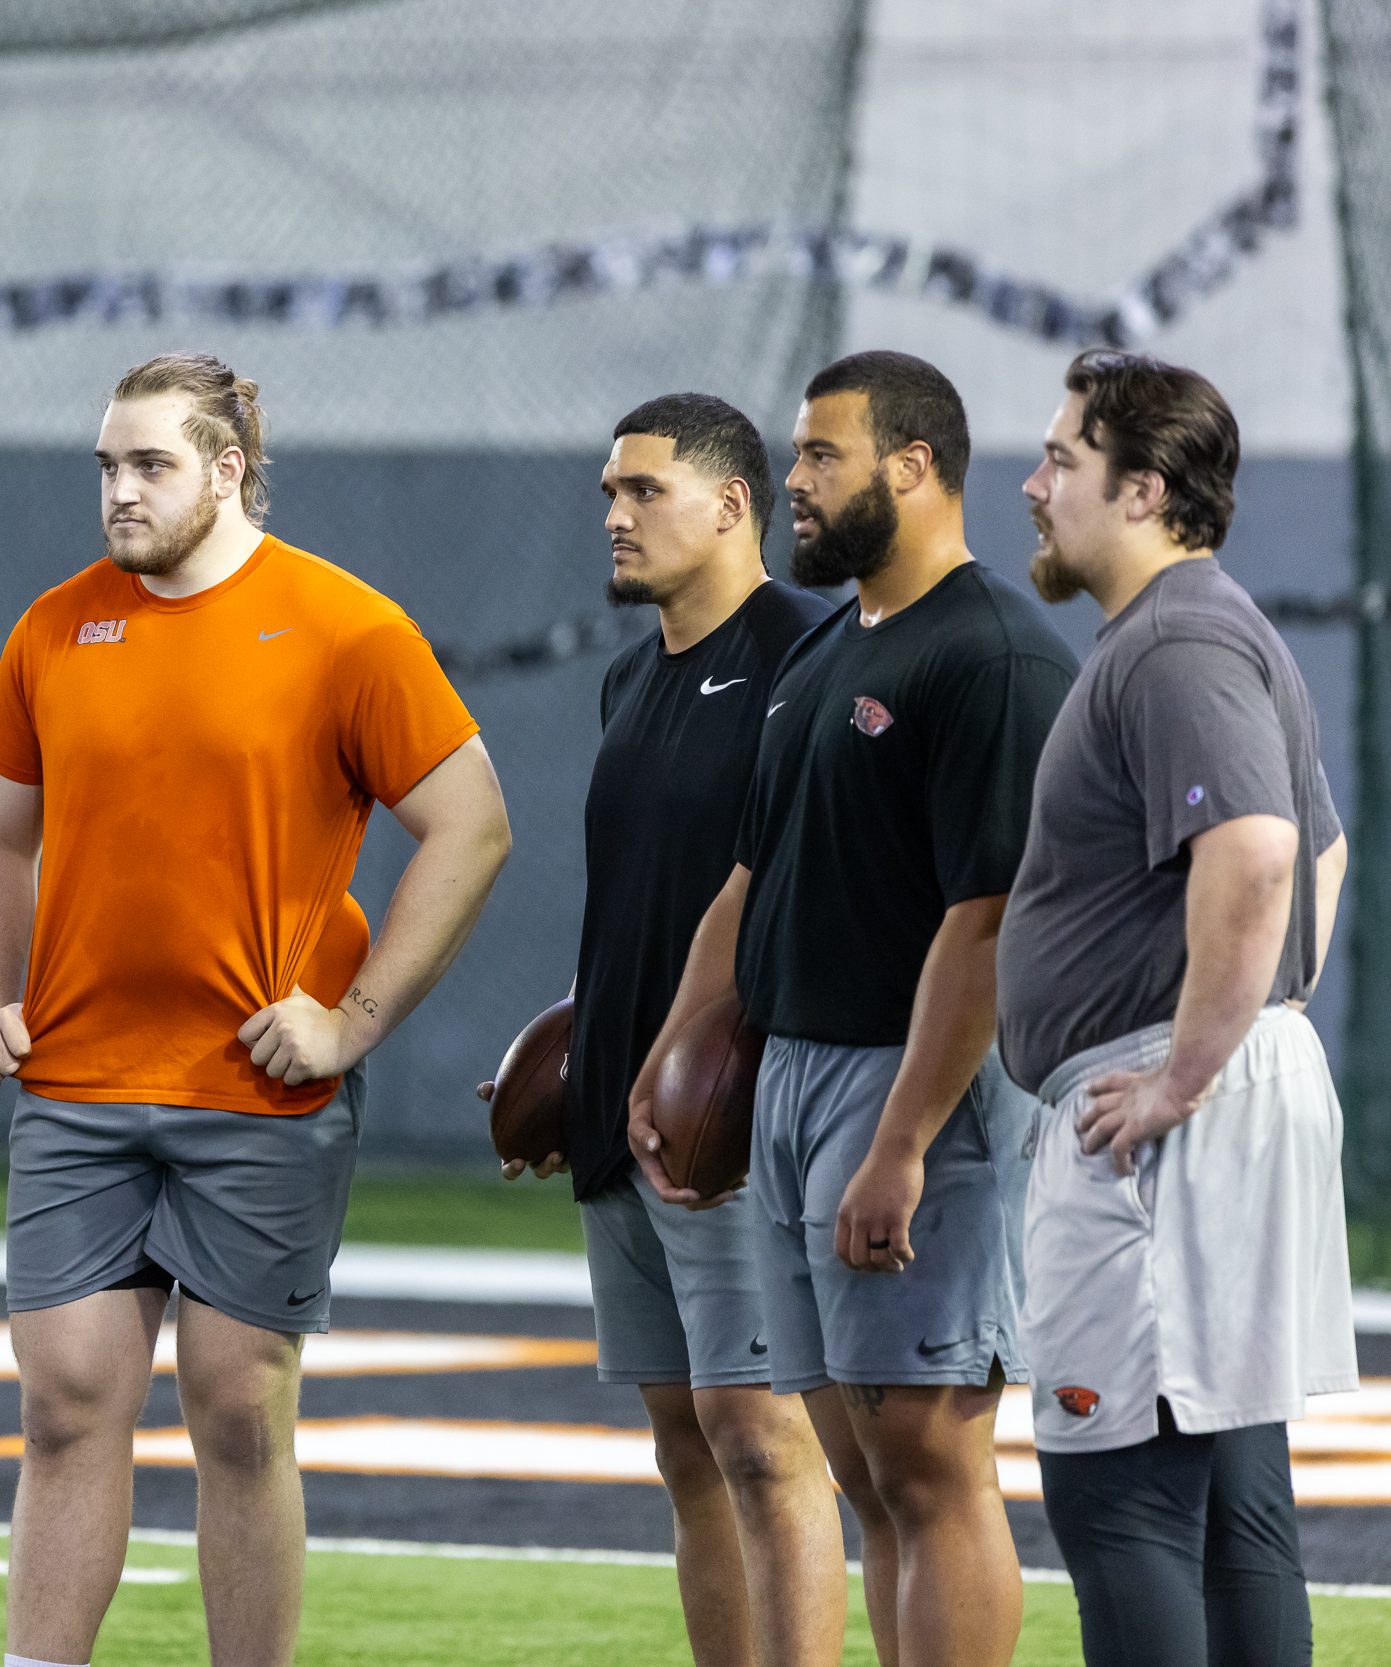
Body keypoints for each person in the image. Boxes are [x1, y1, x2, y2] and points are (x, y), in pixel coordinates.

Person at [0, 352, 512, 1667]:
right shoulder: (55, 626)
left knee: (239, 1409)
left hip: (259, 1098)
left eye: (149, 464)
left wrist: (351, 1017)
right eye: (106, 465)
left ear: (228, 471)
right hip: (78, 1088)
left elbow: (471, 823)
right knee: (67, 1401)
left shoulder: (346, 627)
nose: (119, 491)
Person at [631, 351, 1076, 1667]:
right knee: (860, 1465)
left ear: (915, 465)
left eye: (822, 456)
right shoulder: (830, 651)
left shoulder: (991, 654)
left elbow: (988, 922)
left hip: (914, 1086)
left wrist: (901, 1140)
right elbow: (747, 882)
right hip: (789, 1082)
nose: (798, 484)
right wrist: (666, 1057)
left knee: (928, 1461)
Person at [999, 351, 1356, 1666]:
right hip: (1218, 1087)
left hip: (1166, 1113)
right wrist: (1250, 1025)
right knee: (1231, 1500)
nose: (1034, 486)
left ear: (1143, 487)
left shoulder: (1179, 636)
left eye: (1060, 460)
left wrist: (1184, 1074)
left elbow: (1263, 854)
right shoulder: (1214, 626)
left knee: (1123, 1499)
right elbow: (1323, 850)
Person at [484, 394, 843, 1665]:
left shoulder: (816, 648)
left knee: (761, 1437)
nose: (613, 516)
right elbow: (639, 904)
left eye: (642, 491)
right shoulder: (631, 676)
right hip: (618, 1124)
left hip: (729, 1125)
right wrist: (576, 1056)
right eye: (607, 493)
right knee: (684, 1447)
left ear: (733, 502)